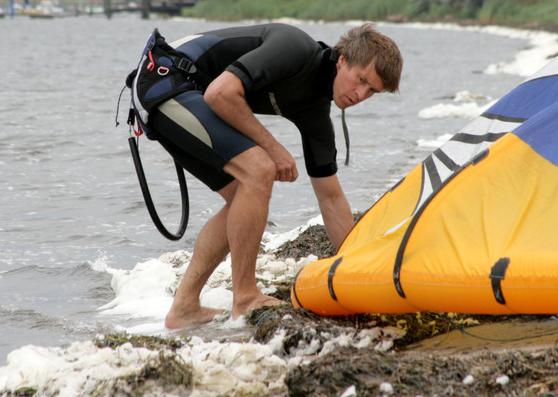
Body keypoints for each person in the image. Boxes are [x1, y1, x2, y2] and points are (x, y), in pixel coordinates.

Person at [131, 22, 402, 329]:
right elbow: (221, 93)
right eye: (361, 80)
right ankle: (245, 297)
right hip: (165, 79)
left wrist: (359, 271)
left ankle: (184, 308)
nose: (361, 94)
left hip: (183, 94)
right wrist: (273, 148)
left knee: (242, 195)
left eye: (372, 91)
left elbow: (331, 198)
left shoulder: (315, 111)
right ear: (342, 61)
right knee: (259, 168)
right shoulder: (295, 48)